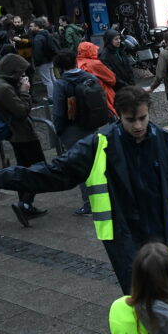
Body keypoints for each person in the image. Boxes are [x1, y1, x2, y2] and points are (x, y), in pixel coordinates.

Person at [0, 86, 168, 295]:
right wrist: (0, 176)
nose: (138, 125)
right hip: (125, 238)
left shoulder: (167, 142)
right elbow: (56, 172)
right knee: (137, 298)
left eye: (142, 118)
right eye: (130, 120)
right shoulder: (100, 144)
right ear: (118, 115)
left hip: (165, 233)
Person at [0, 54, 49, 225]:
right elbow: (21, 111)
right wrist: (24, 92)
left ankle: (26, 204)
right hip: (22, 134)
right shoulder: (3, 88)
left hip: (16, 134)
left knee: (25, 170)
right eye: (21, 71)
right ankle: (25, 203)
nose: (23, 75)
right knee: (39, 170)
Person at [51, 50, 112, 215]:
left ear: (60, 68)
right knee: (96, 163)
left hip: (72, 130)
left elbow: (58, 112)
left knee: (80, 165)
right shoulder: (89, 77)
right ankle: (106, 196)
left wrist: (59, 130)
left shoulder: (61, 84)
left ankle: (89, 204)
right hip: (91, 125)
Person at [76, 41, 118, 116]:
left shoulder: (78, 62)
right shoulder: (94, 64)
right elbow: (112, 79)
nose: (96, 51)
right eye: (93, 49)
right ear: (90, 51)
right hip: (104, 94)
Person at [28, 17, 58, 104]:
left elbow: (37, 52)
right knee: (52, 78)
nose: (31, 28)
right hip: (49, 59)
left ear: (37, 27)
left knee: (47, 80)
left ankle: (51, 98)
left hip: (43, 62)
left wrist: (37, 62)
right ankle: (56, 94)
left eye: (32, 26)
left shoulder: (38, 38)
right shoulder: (47, 33)